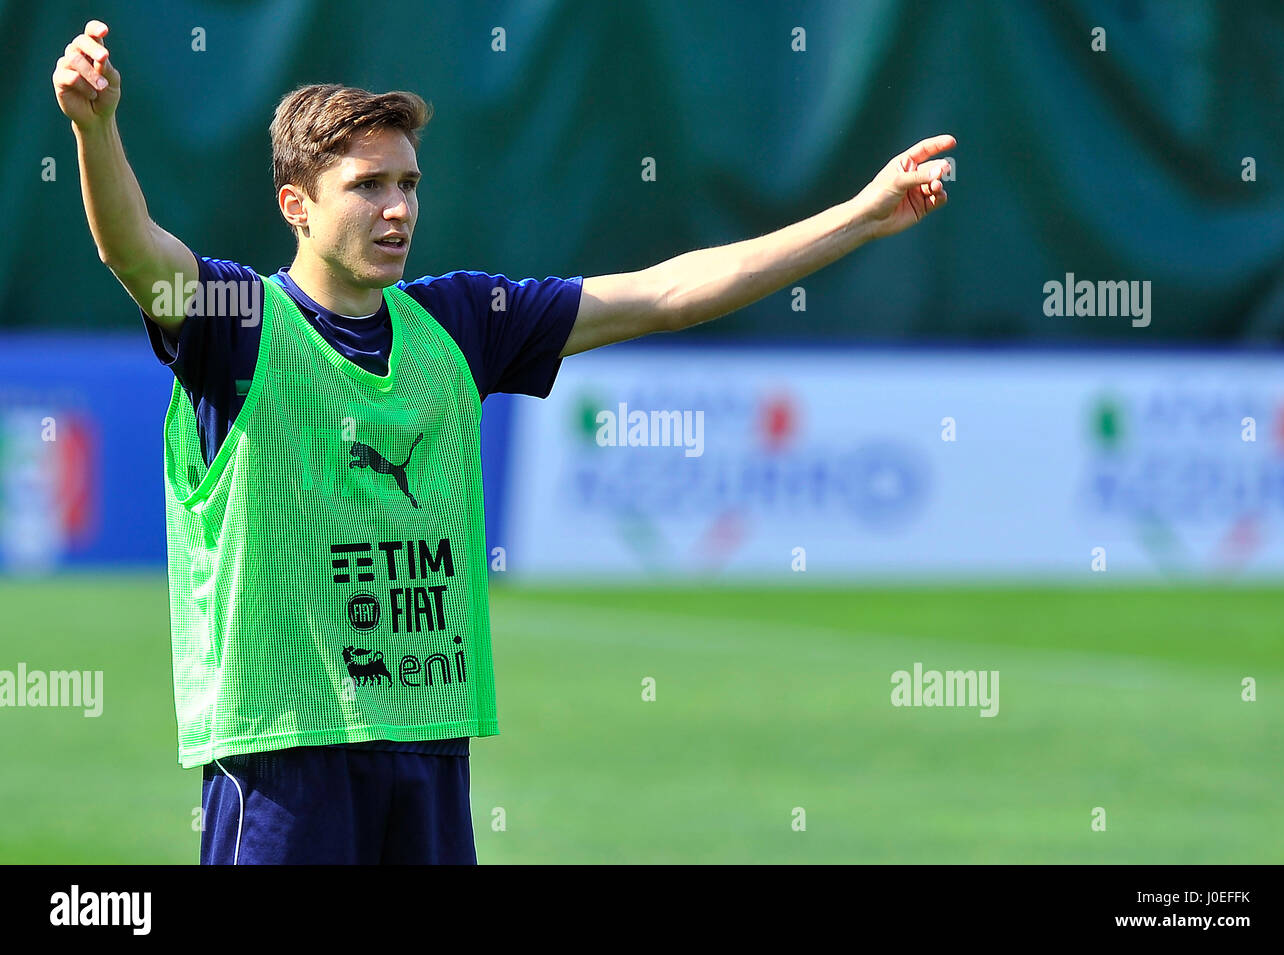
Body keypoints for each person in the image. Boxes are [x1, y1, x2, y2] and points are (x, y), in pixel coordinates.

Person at [54, 18, 955, 865]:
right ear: (295, 202)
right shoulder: (238, 322)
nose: (397, 207)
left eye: (407, 183)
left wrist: (862, 217)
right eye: (367, 186)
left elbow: (670, 292)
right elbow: (135, 252)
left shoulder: (460, 320)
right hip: (283, 753)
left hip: (429, 745)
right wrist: (97, 132)